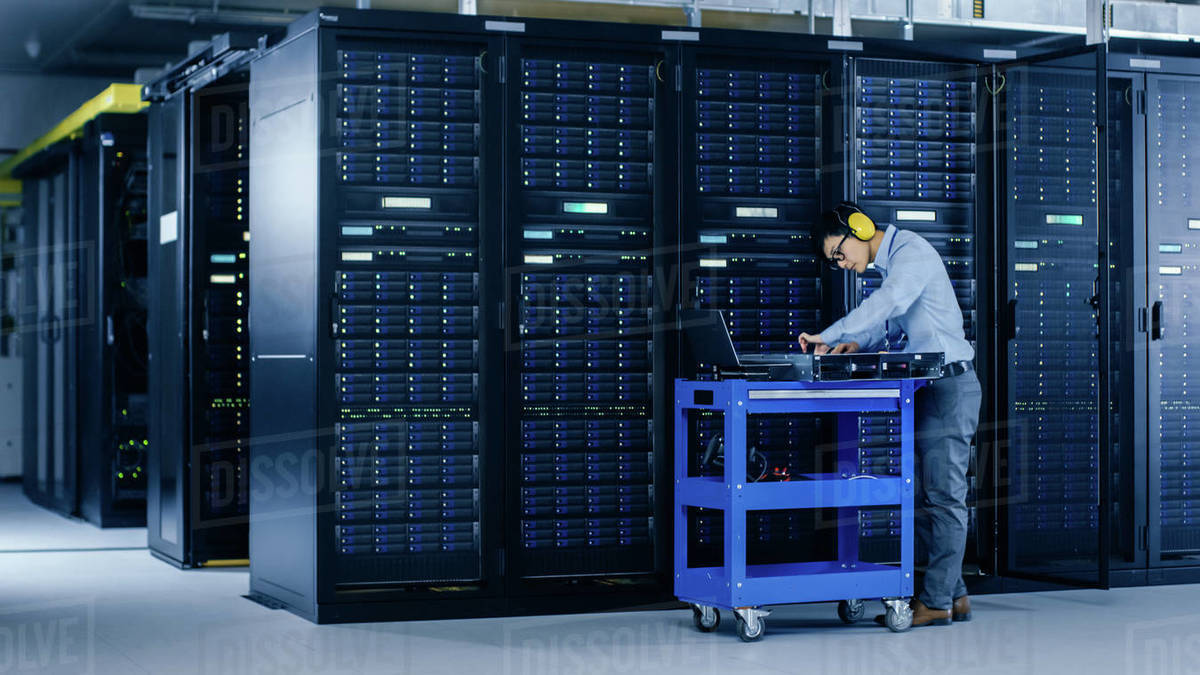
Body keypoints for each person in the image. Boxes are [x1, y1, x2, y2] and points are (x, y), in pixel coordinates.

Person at [798, 201, 981, 628]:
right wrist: (855, 345)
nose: (841, 264)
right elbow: (893, 324)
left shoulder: (911, 253)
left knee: (945, 498)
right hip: (929, 387)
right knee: (924, 497)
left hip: (950, 387)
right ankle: (952, 595)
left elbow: (888, 302)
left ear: (859, 228)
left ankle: (935, 601)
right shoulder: (895, 263)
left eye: (838, 254)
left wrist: (829, 334)